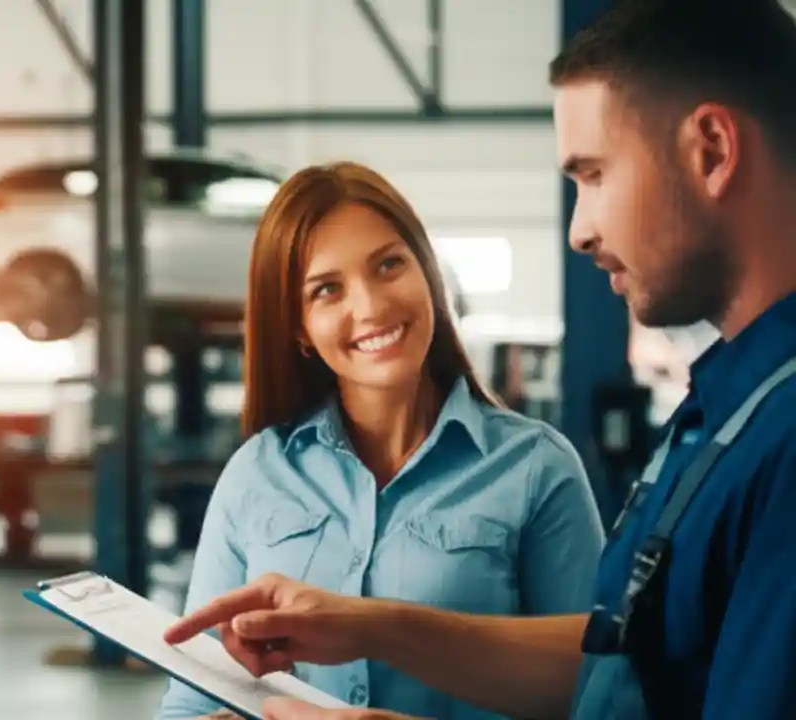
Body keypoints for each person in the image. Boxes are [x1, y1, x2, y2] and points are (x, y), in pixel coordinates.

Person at [163, 1, 796, 719]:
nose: (580, 231)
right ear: (299, 326)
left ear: (711, 149)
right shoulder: (721, 417)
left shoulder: (759, 438)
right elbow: (619, 667)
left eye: (593, 174)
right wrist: (368, 625)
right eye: (327, 290)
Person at [155, 161, 605, 720]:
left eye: (389, 265)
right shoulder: (257, 472)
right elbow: (190, 702)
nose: (369, 307)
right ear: (298, 327)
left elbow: (600, 695)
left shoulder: (535, 469)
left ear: (428, 273)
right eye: (327, 290)